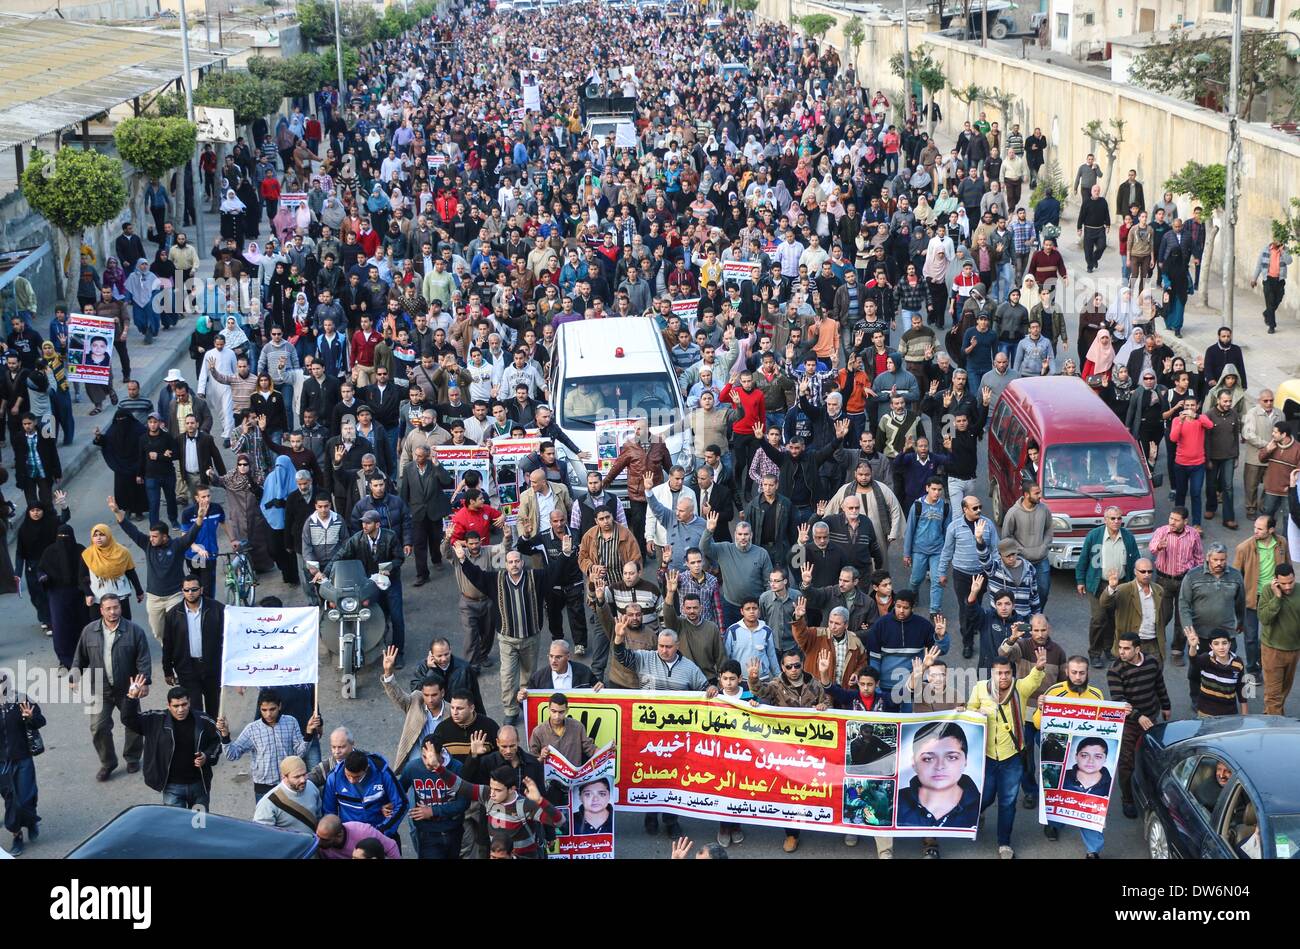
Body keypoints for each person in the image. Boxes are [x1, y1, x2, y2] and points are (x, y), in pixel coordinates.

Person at [966, 650, 1047, 859]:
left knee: (1008, 801)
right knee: (986, 796)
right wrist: (976, 714)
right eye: (998, 673)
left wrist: (1039, 666)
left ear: (1012, 674)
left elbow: (1033, 679)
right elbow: (969, 710)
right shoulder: (980, 689)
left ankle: (1004, 843)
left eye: (1006, 673)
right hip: (987, 756)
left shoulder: (1020, 688)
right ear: (991, 674)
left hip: (1012, 756)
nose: (1003, 677)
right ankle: (979, 812)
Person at [748, 649, 829, 852]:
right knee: (790, 792)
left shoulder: (814, 683)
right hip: (786, 748)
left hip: (812, 747)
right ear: (782, 667)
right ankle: (792, 833)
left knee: (817, 786)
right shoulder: (776, 685)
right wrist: (753, 679)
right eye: (789, 666)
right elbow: (760, 692)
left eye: (797, 665)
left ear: (802, 664)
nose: (793, 670)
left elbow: (828, 701)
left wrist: (824, 705)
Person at [72, 593, 152, 781]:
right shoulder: (89, 631)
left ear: (120, 608)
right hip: (100, 688)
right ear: (101, 610)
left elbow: (143, 659)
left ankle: (132, 757)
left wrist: (145, 681)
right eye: (108, 608)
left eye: (116, 607)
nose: (113, 611)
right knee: (98, 727)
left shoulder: (134, 631)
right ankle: (108, 763)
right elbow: (79, 657)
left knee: (132, 723)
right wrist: (74, 675)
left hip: (128, 688)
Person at [1035, 656, 1107, 855]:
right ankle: (1055, 824)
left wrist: (1120, 713)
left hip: (1085, 756)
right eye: (1074, 672)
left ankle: (1093, 850)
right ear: (1067, 671)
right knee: (1057, 793)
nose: (1077, 677)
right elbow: (1038, 725)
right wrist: (1042, 709)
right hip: (1057, 755)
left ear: (1088, 673)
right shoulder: (1054, 692)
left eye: (1081, 673)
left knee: (1089, 799)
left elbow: (1105, 726)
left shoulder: (1096, 695)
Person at [120, 678, 222, 811]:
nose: (180, 709)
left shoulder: (203, 721)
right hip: (172, 787)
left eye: (184, 704)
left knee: (199, 826)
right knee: (176, 827)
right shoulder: (155, 720)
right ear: (168, 706)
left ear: (189, 702)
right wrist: (131, 698)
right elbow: (129, 720)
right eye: (176, 706)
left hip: (199, 785)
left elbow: (217, 742)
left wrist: (207, 756)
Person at [1108, 632, 1172, 818]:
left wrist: (1166, 706)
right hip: (1129, 723)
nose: (1122, 652)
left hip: (1151, 717)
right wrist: (1138, 717)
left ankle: (1153, 795)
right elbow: (1119, 701)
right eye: (1120, 648)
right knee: (1127, 763)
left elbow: (1159, 685)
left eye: (1126, 648)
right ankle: (1127, 799)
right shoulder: (1115, 670)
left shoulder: (1152, 663)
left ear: (1138, 649)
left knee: (1153, 757)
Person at [215, 688, 313, 803]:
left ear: (279, 706)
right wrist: (225, 735)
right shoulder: (252, 729)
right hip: (263, 789)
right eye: (264, 710)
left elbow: (300, 753)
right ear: (259, 709)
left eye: (272, 709)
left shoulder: (291, 722)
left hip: (288, 785)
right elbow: (232, 755)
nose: (268, 714)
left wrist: (309, 733)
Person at [1076, 506, 1139, 668]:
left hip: (1122, 585)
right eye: (1113, 518)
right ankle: (1095, 653)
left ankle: (1109, 648)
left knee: (1114, 619)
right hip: (1098, 584)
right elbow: (1083, 559)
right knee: (1099, 619)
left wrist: (1136, 583)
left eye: (1119, 518)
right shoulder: (1094, 536)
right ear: (1105, 520)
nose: (1117, 521)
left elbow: (1136, 561)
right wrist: (1080, 580)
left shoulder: (1128, 537)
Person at [895, 721, 981, 831]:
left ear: (965, 761)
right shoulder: (894, 803)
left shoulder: (979, 803)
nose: (940, 766)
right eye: (928, 759)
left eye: (951, 757)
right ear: (913, 763)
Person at [161, 577, 225, 715]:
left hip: (212, 667)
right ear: (182, 591)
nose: (190, 593)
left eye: (194, 589)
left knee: (214, 707)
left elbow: (227, 638)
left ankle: (215, 735)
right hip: (187, 668)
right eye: (187, 590)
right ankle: (199, 736)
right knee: (195, 710)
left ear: (201, 589)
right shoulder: (173, 614)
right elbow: (168, 644)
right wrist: (167, 670)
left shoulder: (217, 609)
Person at [322, 748, 408, 844]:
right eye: (348, 775)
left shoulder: (383, 773)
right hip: (348, 838)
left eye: (356, 777)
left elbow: (402, 803)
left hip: (379, 835)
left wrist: (382, 831)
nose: (351, 780)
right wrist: (339, 837)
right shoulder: (334, 778)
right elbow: (329, 812)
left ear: (366, 768)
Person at [0, 672, 45, 856]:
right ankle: (16, 834)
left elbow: (41, 721)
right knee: (11, 800)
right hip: (2, 762)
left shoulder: (21, 699)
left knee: (26, 797)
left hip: (23, 757)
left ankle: (31, 820)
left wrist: (30, 717)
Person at [1258, 563, 1300, 715]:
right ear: (1275, 581)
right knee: (1274, 695)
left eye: (1290, 582)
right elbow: (1264, 619)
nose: (1288, 587)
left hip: (1294, 650)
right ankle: (1276, 731)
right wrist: (1277, 597)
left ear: (1294, 577)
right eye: (1283, 584)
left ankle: (1270, 718)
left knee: (1283, 692)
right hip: (1272, 650)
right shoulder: (1268, 591)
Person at [1184, 629, 1249, 717]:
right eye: (1216, 643)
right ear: (1211, 646)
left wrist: (1245, 715)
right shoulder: (1206, 659)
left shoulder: (1238, 662)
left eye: (1224, 643)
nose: (1221, 647)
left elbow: (1241, 688)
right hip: (1206, 713)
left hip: (1229, 714)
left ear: (1230, 644)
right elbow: (1194, 660)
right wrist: (1193, 646)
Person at [252, 755, 321, 834]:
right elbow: (262, 834)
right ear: (284, 777)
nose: (303, 780)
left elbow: (319, 816)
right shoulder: (268, 803)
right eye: (297, 777)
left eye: (304, 774)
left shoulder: (311, 786)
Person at [526, 693, 596, 767]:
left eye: (561, 712)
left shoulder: (578, 727)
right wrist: (541, 756)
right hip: (549, 776)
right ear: (548, 709)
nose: (557, 716)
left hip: (573, 776)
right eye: (554, 711)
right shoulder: (538, 732)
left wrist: (606, 752)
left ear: (567, 710)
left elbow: (590, 749)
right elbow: (531, 762)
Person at [1251, 238, 1292, 334]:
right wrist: (1254, 279)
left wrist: (1282, 251)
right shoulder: (1265, 250)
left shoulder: (1284, 250)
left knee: (1278, 299)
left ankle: (1267, 313)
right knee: (1270, 302)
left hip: (1280, 280)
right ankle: (1271, 326)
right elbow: (1259, 265)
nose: (1278, 241)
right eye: (1276, 239)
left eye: (1280, 240)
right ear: (1273, 240)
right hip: (1268, 280)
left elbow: (1289, 261)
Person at [315, 814, 401, 860]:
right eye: (317, 835)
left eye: (324, 839)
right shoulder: (316, 843)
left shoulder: (364, 832)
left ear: (339, 835)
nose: (318, 841)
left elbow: (391, 847)